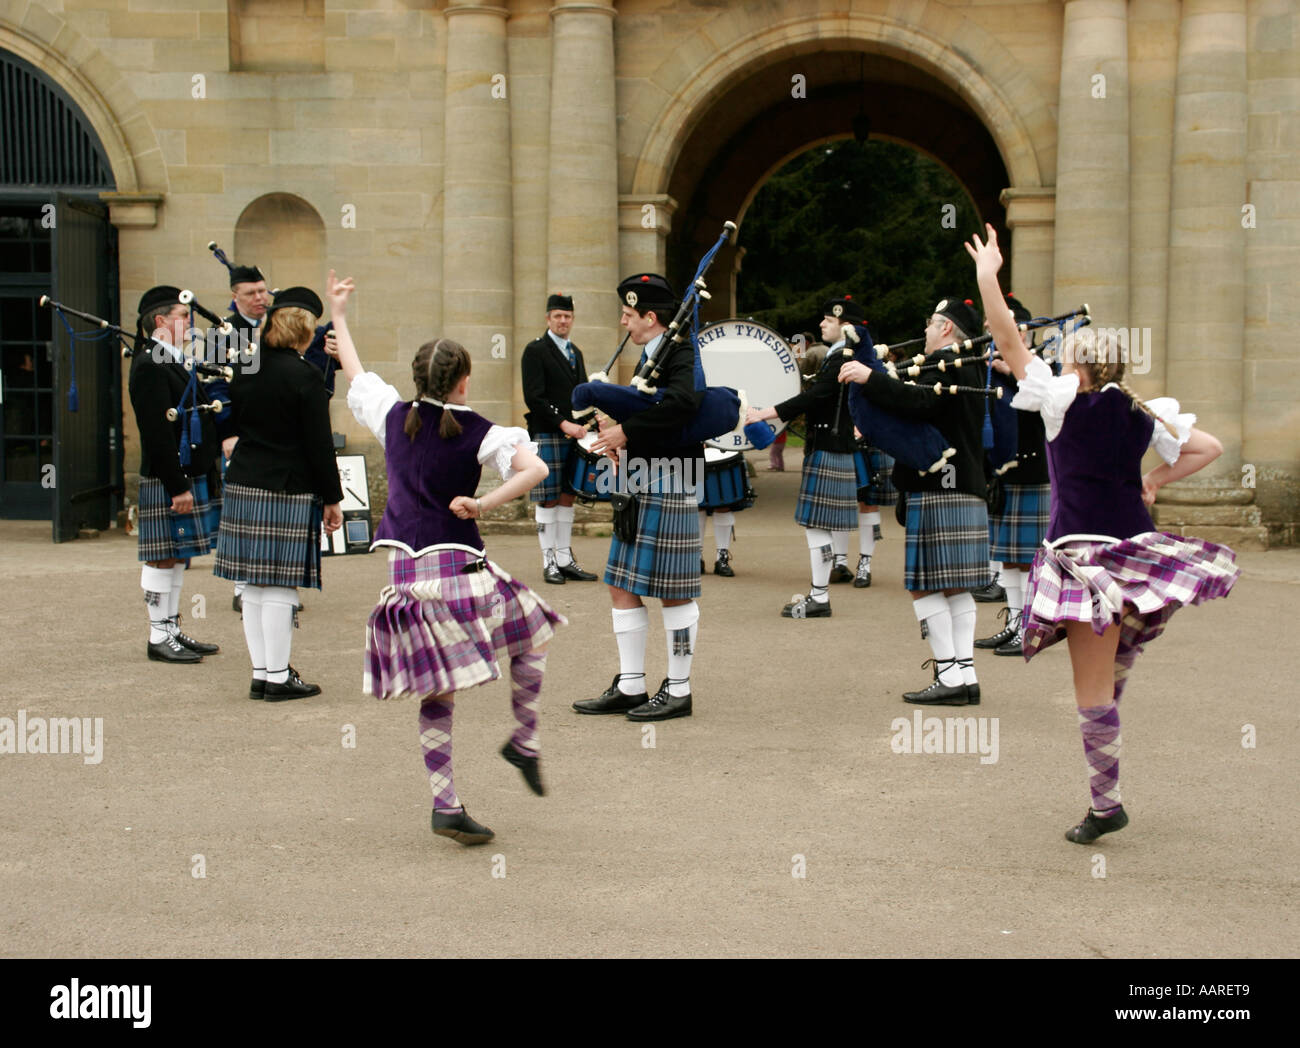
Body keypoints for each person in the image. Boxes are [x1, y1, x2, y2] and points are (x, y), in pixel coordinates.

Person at [967, 225, 1239, 843]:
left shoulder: (1064, 399)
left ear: (1078, 362)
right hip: (1136, 557)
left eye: (1066, 352)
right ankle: (1106, 790)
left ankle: (1107, 805)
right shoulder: (1145, 411)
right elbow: (1210, 447)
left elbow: (1008, 340)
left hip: (1085, 560)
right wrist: (1154, 484)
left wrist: (988, 277)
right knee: (1106, 680)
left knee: (1092, 691)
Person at [329, 275, 564, 847]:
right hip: (460, 572)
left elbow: (356, 376)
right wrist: (480, 503)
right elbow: (538, 472)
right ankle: (523, 740)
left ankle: (446, 802)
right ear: (462, 381)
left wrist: (339, 314)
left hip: (406, 579)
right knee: (532, 635)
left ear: (417, 378)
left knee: (440, 692)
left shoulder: (391, 416)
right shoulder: (480, 430)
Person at [839, 296, 990, 704]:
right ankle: (965, 674)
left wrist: (870, 378)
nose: (924, 329)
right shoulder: (966, 363)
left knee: (924, 587)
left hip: (940, 485)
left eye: (929, 322)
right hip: (962, 484)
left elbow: (918, 402)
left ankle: (949, 675)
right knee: (956, 588)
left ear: (945, 328)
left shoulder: (950, 364)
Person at [572, 273, 703, 722]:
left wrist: (627, 431)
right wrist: (619, 443)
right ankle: (631, 685)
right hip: (641, 477)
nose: (623, 323)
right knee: (621, 582)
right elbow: (648, 410)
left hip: (673, 477)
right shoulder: (649, 356)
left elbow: (685, 403)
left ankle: (680, 688)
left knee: (674, 590)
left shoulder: (682, 351)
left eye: (629, 315)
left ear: (650, 317)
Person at [213, 286, 343, 700]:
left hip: (244, 481)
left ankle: (261, 673)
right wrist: (332, 497)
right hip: (288, 487)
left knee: (252, 585)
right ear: (305, 330)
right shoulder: (304, 375)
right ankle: (279, 676)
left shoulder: (248, 366)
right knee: (282, 587)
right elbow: (319, 444)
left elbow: (228, 418)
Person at [747, 297, 861, 618]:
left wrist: (765, 413)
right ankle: (819, 594)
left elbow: (815, 396)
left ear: (844, 325)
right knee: (818, 527)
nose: (822, 324)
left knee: (816, 526)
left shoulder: (843, 358)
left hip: (828, 449)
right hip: (829, 447)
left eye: (828, 320)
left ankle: (820, 597)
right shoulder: (840, 357)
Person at [128, 286, 223, 663]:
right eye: (183, 317)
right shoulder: (150, 364)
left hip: (185, 473)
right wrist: (177, 485)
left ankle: (170, 628)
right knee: (160, 558)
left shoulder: (172, 359)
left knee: (177, 555)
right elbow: (154, 433)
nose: (189, 324)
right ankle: (157, 635)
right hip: (167, 477)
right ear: (159, 321)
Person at [975, 294, 1050, 656]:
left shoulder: (1044, 366)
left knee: (1029, 558)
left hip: (1034, 470)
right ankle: (1014, 623)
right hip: (1005, 472)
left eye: (998, 328)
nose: (991, 335)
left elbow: (1040, 409)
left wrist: (1015, 375)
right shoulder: (990, 366)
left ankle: (1032, 629)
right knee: (1009, 557)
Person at [520, 293, 597, 584]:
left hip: (574, 434)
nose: (563, 321)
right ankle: (548, 561)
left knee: (568, 496)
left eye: (567, 316)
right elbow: (534, 397)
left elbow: (581, 394)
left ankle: (564, 558)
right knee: (548, 499)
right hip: (548, 433)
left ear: (572, 319)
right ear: (548, 319)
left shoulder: (575, 351)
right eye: (557, 316)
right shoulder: (535, 350)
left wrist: (592, 419)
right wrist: (564, 423)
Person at [851, 427, 895, 588]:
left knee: (869, 501)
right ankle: (839, 562)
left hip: (878, 437)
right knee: (839, 502)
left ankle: (865, 563)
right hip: (841, 435)